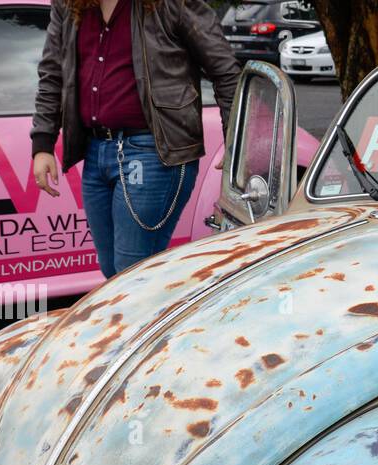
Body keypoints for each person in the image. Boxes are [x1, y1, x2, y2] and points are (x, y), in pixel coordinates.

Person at [30, 0, 241, 278]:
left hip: (153, 152)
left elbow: (225, 71)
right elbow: (52, 74)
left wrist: (235, 137)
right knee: (113, 272)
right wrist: (43, 143)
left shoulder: (171, 4)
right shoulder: (70, 5)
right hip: (96, 152)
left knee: (131, 276)